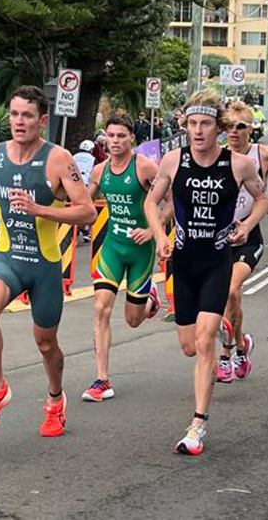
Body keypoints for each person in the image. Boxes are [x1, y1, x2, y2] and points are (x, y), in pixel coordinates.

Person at [143, 91, 268, 455]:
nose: (198, 132)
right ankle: (228, 331)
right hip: (182, 263)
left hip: (217, 261)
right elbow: (152, 202)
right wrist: (161, 234)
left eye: (206, 124)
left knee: (203, 343)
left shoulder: (239, 164)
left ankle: (197, 425)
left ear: (219, 128)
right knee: (188, 346)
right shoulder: (172, 160)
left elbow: (262, 198)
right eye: (192, 124)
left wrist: (246, 225)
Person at [0, 85, 96, 438]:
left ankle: (56, 400)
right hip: (9, 258)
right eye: (13, 114)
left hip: (43, 266)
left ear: (42, 120)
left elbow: (87, 210)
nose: (18, 121)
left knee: (45, 344)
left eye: (27, 115)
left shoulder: (59, 159)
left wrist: (41, 208)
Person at [81, 114, 162, 402]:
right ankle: (102, 380)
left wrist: (152, 231)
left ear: (131, 138)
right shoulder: (99, 171)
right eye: (111, 136)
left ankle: (151, 301)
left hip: (140, 250)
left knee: (132, 321)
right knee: (101, 308)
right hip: (113, 247)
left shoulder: (145, 167)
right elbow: (86, 204)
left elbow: (172, 200)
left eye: (121, 136)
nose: (115, 141)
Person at [217, 102, 268, 384]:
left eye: (240, 126)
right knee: (230, 297)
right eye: (229, 126)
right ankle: (242, 346)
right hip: (219, 239)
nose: (234, 132)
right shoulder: (217, 156)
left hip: (249, 238)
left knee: (231, 290)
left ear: (251, 129)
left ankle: (225, 356)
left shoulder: (263, 154)